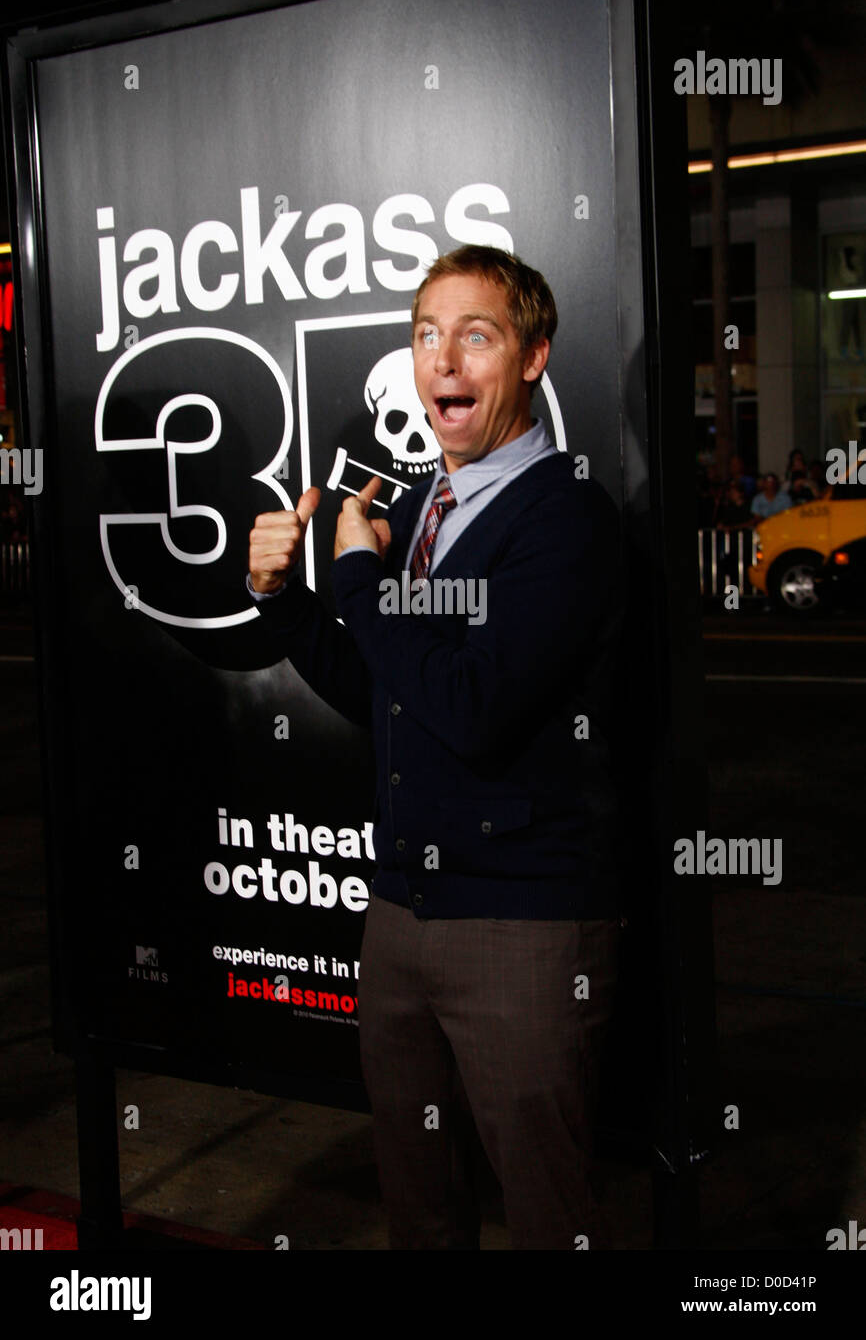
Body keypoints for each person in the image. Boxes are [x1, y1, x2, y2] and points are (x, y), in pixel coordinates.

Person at [247, 245, 624, 1250]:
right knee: (418, 1210)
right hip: (399, 918)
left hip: (518, 928)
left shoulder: (566, 515)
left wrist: (358, 581)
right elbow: (386, 696)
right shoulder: (413, 512)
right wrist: (281, 601)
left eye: (476, 334)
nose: (443, 360)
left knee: (549, 1218)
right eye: (425, 334)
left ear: (533, 355)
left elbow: (471, 706)